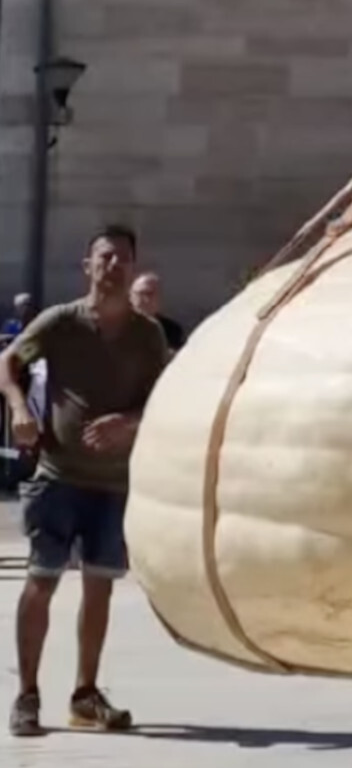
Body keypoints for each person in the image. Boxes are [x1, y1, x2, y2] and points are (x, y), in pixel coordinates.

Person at [2, 225, 169, 736]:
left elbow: (163, 398)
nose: (113, 266)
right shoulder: (60, 322)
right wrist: (18, 409)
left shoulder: (148, 335)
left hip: (113, 487)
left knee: (100, 588)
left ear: (134, 268)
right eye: (105, 257)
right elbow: (8, 361)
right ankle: (27, 696)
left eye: (123, 258)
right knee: (41, 580)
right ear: (88, 265)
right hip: (57, 479)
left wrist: (129, 422)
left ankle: (85, 695)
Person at [129, 272, 186, 353]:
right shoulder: (118, 327)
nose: (146, 300)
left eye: (151, 294)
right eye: (142, 293)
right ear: (131, 297)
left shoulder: (172, 330)